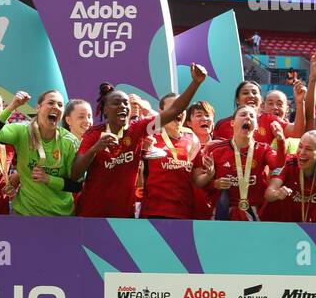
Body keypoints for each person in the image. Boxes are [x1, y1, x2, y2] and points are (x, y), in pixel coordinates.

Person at [73, 66, 207, 218]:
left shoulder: (138, 129)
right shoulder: (93, 135)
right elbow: (75, 172)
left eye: (126, 103)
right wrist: (95, 149)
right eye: (116, 103)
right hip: (92, 214)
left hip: (124, 216)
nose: (122, 106)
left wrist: (195, 83)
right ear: (105, 110)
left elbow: (174, 110)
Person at [0, 89, 79, 216]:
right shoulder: (22, 131)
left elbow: (77, 185)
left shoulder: (70, 142)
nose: (56, 107)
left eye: (60, 105)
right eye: (51, 103)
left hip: (61, 217)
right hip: (24, 214)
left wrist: (48, 179)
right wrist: (13, 106)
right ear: (38, 107)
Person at [192, 103, 285, 221]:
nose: (248, 117)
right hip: (222, 211)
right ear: (232, 123)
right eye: (243, 114)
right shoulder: (215, 150)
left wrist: (281, 141)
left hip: (255, 212)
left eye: (252, 116)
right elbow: (199, 184)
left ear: (256, 126)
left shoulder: (263, 149)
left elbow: (278, 165)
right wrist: (214, 183)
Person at [139, 92, 201, 219]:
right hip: (154, 213)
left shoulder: (193, 139)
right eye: (173, 107)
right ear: (161, 112)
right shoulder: (149, 138)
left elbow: (196, 180)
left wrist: (210, 175)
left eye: (181, 107)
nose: (177, 111)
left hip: (184, 213)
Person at [186, 100, 216, 220]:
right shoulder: (182, 147)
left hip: (216, 210)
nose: (204, 118)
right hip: (189, 208)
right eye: (199, 115)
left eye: (208, 115)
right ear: (188, 123)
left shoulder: (223, 146)